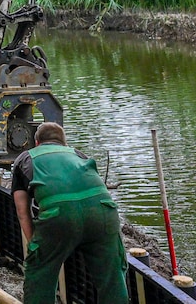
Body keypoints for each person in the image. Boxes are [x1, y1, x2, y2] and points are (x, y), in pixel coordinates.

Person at [11, 122, 127, 304]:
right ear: (64, 143)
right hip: (104, 212)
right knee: (112, 277)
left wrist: (36, 246)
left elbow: (22, 212)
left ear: (37, 142)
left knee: (40, 274)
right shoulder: (78, 155)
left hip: (59, 215)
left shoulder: (25, 159)